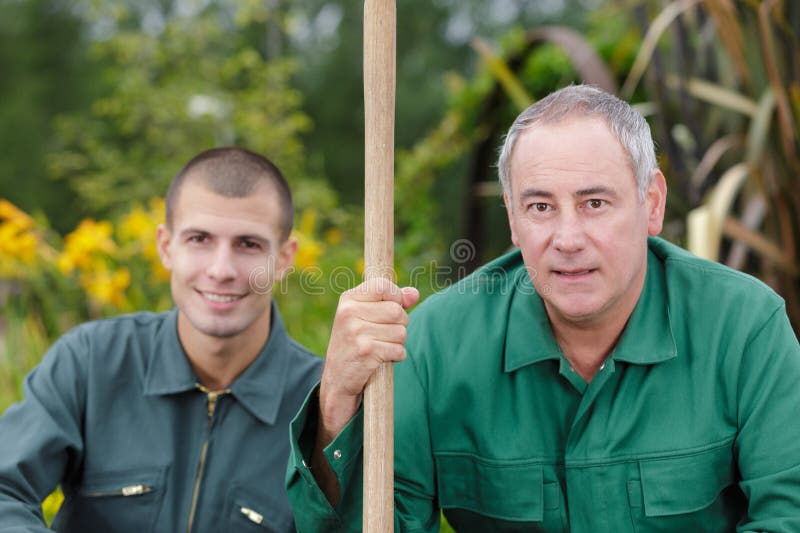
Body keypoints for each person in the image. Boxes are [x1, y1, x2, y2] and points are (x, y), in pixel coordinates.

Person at [286, 85, 800, 531]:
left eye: (594, 203)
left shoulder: (744, 329)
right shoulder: (434, 345)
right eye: (540, 207)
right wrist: (337, 402)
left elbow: (788, 516)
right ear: (512, 218)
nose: (567, 238)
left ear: (653, 203)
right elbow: (378, 526)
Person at [0, 147, 323, 532]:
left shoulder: (323, 407)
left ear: (284, 259)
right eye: (199, 239)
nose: (221, 270)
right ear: (166, 247)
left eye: (248, 244)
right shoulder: (92, 361)